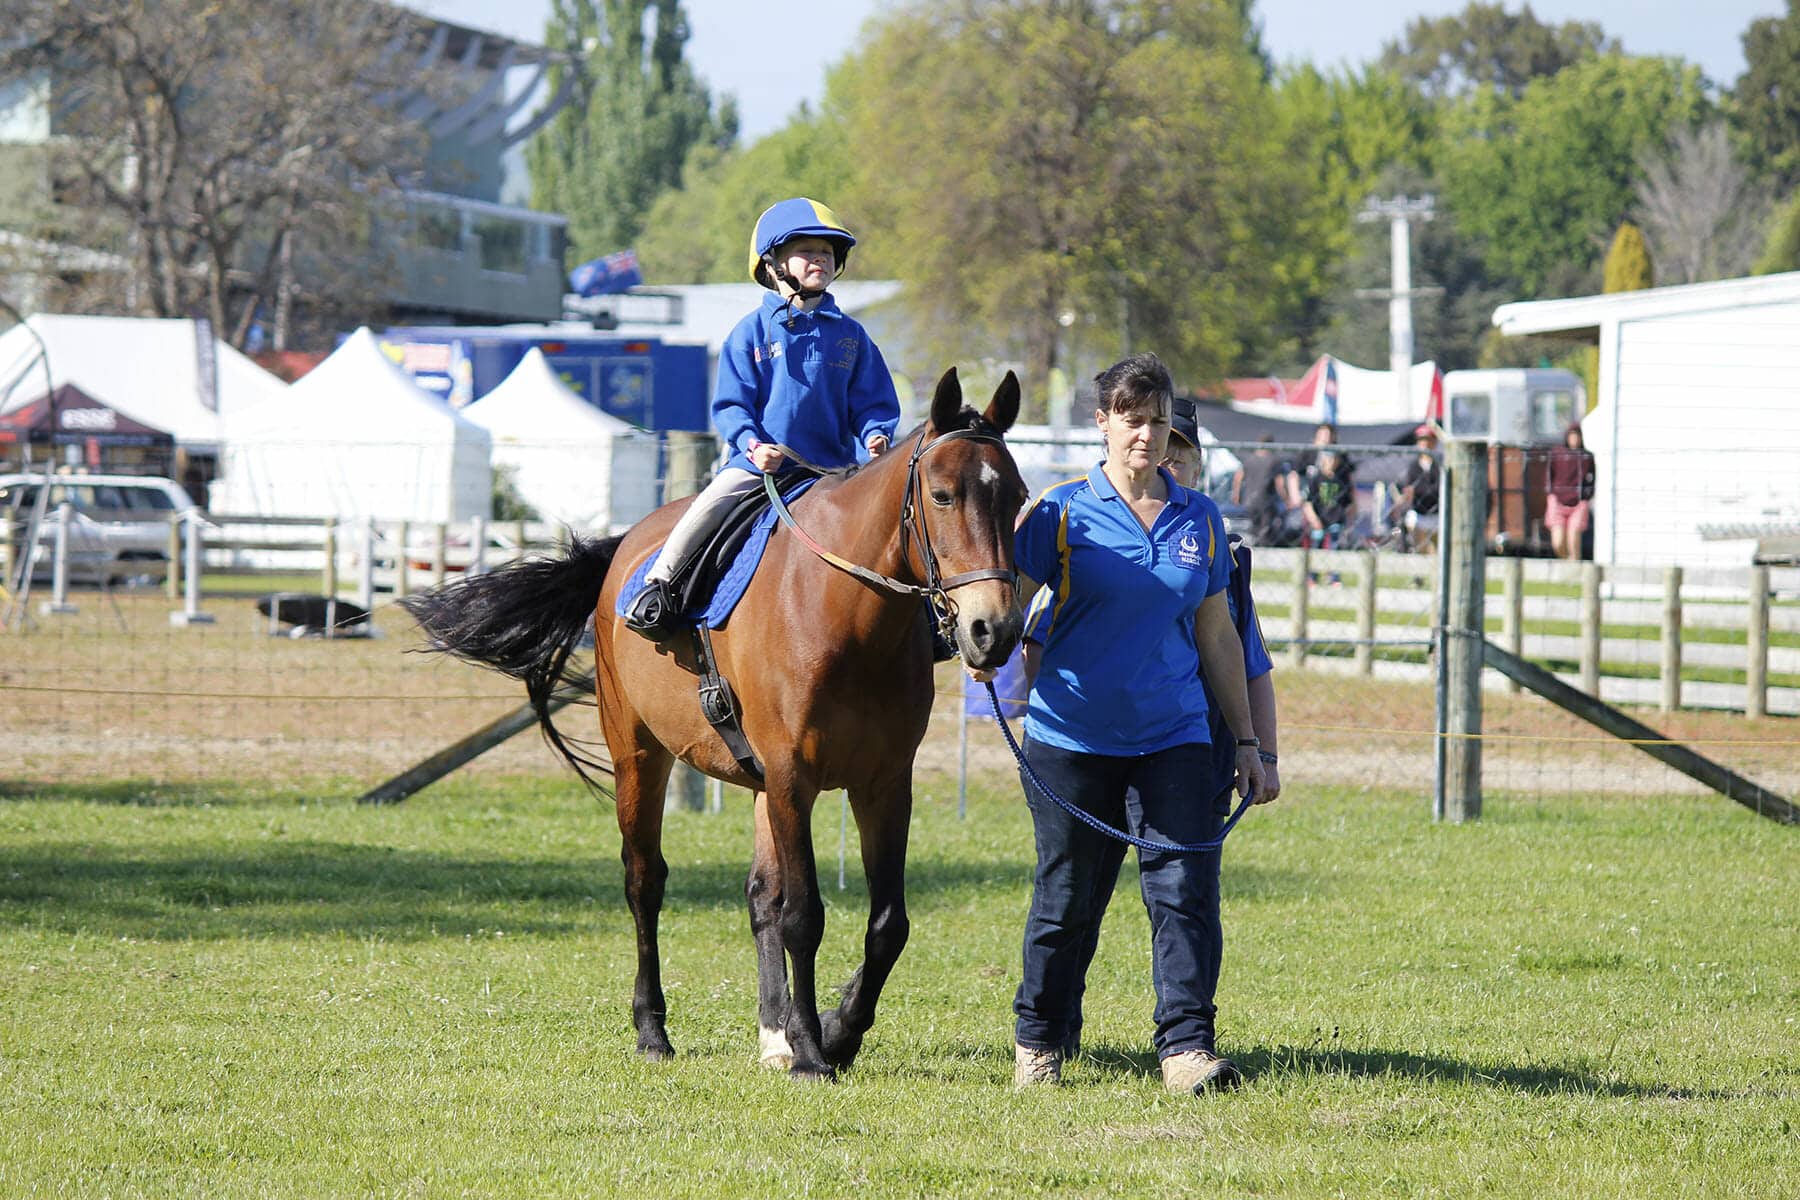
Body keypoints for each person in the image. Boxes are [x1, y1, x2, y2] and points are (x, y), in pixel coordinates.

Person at [989, 353, 1272, 1097]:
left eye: (1157, 419)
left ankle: (1186, 1048)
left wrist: (1245, 741)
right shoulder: (1058, 513)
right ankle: (1040, 1041)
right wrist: (983, 652)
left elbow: (1217, 637)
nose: (1145, 434)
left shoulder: (1200, 518)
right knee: (1068, 894)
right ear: (1103, 423)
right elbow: (1005, 608)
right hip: (1070, 740)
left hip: (1175, 737)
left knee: (1184, 890)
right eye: (1131, 419)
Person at [624, 198, 900, 639]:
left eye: (827, 253)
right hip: (760, 466)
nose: (820, 259)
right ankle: (659, 585)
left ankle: (926, 618)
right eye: (806, 250)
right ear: (773, 265)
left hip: (833, 470)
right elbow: (731, 406)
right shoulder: (750, 332)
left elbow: (874, 404)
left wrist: (876, 435)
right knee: (709, 506)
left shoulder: (852, 335)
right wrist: (753, 445)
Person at [1388, 424, 1442, 553]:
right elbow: (1409, 488)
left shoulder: (1440, 465)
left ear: (1434, 442)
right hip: (1419, 513)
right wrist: (1405, 497)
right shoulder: (1414, 467)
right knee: (1419, 544)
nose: (1424, 444)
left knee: (1436, 551)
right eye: (1422, 440)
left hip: (1437, 514)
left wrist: (1417, 490)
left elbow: (1437, 489)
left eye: (1428, 440)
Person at [1545, 423, 1595, 561]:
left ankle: (1575, 571)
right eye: (1572, 436)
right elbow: (1549, 475)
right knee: (1558, 542)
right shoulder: (1556, 453)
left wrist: (1586, 497)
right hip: (1558, 501)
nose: (1574, 439)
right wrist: (1551, 494)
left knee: (1574, 541)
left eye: (1577, 436)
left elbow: (1591, 480)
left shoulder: (1586, 457)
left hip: (1578, 503)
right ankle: (1566, 563)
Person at [1230, 434, 1291, 546]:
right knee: (1266, 529)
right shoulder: (1274, 461)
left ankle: (1255, 546)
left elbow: (1238, 477)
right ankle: (1262, 547)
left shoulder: (1249, 459)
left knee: (1254, 527)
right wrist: (1286, 499)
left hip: (1250, 500)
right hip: (1266, 501)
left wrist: (1236, 494)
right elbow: (1280, 483)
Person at [1299, 446, 1356, 548]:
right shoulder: (1316, 479)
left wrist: (1350, 521)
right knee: (1317, 541)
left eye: (1334, 459)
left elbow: (1350, 503)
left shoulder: (1342, 479)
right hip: (1319, 520)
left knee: (1335, 541)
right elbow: (1307, 502)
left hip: (1336, 520)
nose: (1332, 462)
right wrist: (1314, 520)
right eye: (1329, 459)